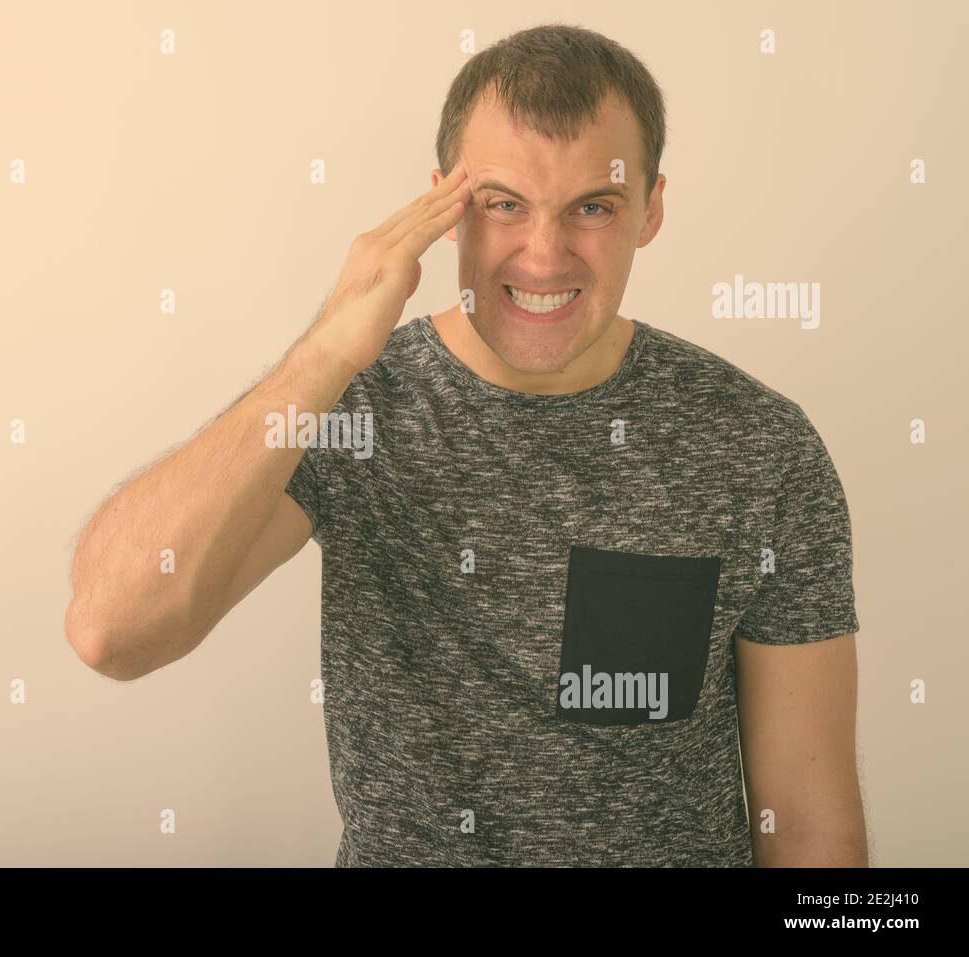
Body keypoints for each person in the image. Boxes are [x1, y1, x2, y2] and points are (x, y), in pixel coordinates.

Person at [64, 23, 866, 867]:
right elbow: (112, 630)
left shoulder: (758, 445)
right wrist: (326, 354)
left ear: (651, 210)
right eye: (503, 204)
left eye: (593, 206)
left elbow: (811, 826)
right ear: (441, 207)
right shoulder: (351, 410)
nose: (545, 254)